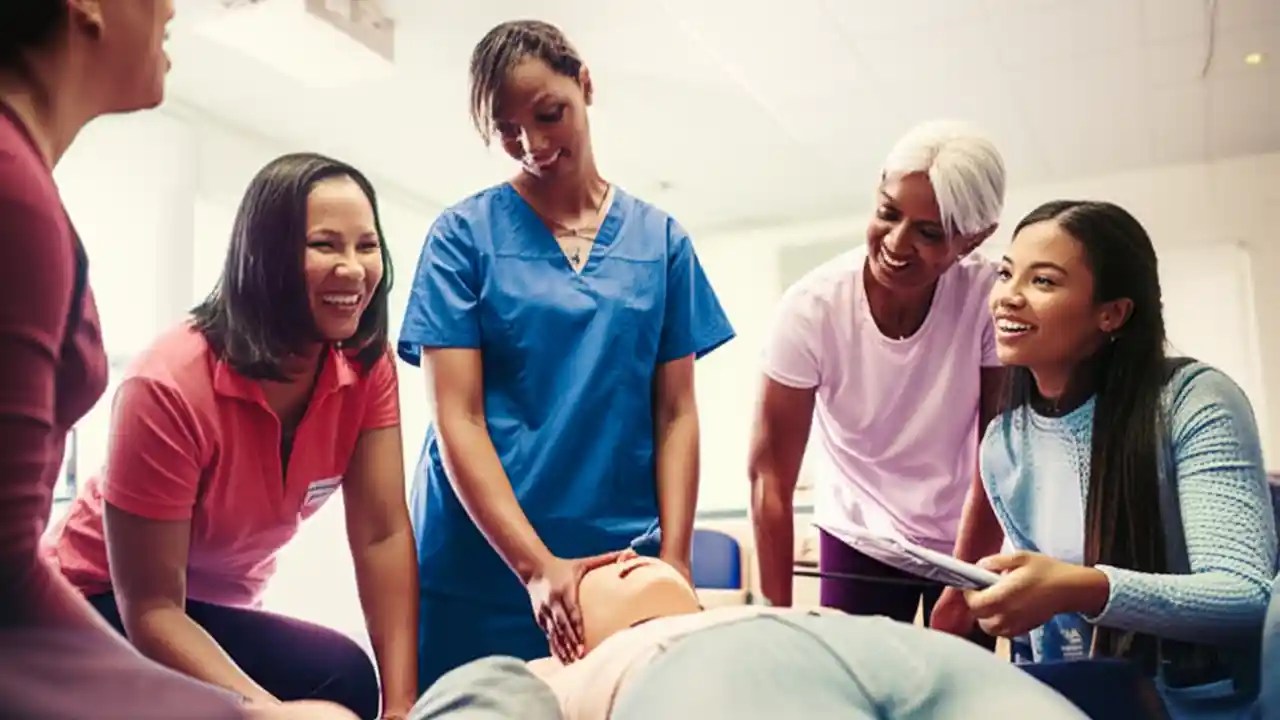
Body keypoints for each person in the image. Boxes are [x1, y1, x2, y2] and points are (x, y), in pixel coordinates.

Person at [397, 20, 734, 689]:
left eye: (550, 114)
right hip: (480, 568)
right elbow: (455, 417)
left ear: (585, 85)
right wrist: (534, 567)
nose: (535, 145)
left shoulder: (660, 242)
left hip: (614, 572)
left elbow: (675, 414)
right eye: (509, 130)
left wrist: (674, 561)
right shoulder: (462, 238)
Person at [46, 152, 419, 720]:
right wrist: (269, 714)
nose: (353, 269)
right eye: (325, 244)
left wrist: (402, 708)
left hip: (213, 610)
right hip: (96, 607)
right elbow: (150, 607)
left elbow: (382, 534)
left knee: (344, 676)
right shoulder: (168, 383)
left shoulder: (366, 366)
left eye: (366, 245)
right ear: (266, 257)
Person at [962, 200, 1277, 719]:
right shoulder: (1004, 442)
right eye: (1006, 273)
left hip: (1206, 704)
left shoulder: (1193, 400)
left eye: (1042, 281)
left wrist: (1079, 588)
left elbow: (1245, 599)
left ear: (1112, 313)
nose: (1007, 298)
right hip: (1089, 698)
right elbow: (1045, 634)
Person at [749, 120, 1007, 639]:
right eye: (888, 214)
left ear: (973, 238)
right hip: (858, 535)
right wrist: (777, 615)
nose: (896, 242)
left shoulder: (990, 297)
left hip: (963, 534)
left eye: (929, 233)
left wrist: (961, 589)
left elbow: (999, 455)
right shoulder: (811, 309)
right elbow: (770, 477)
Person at [404, 555, 1090, 720]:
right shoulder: (540, 672)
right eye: (603, 568)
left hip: (923, 659)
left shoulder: (741, 608)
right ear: (568, 639)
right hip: (713, 667)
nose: (623, 555)